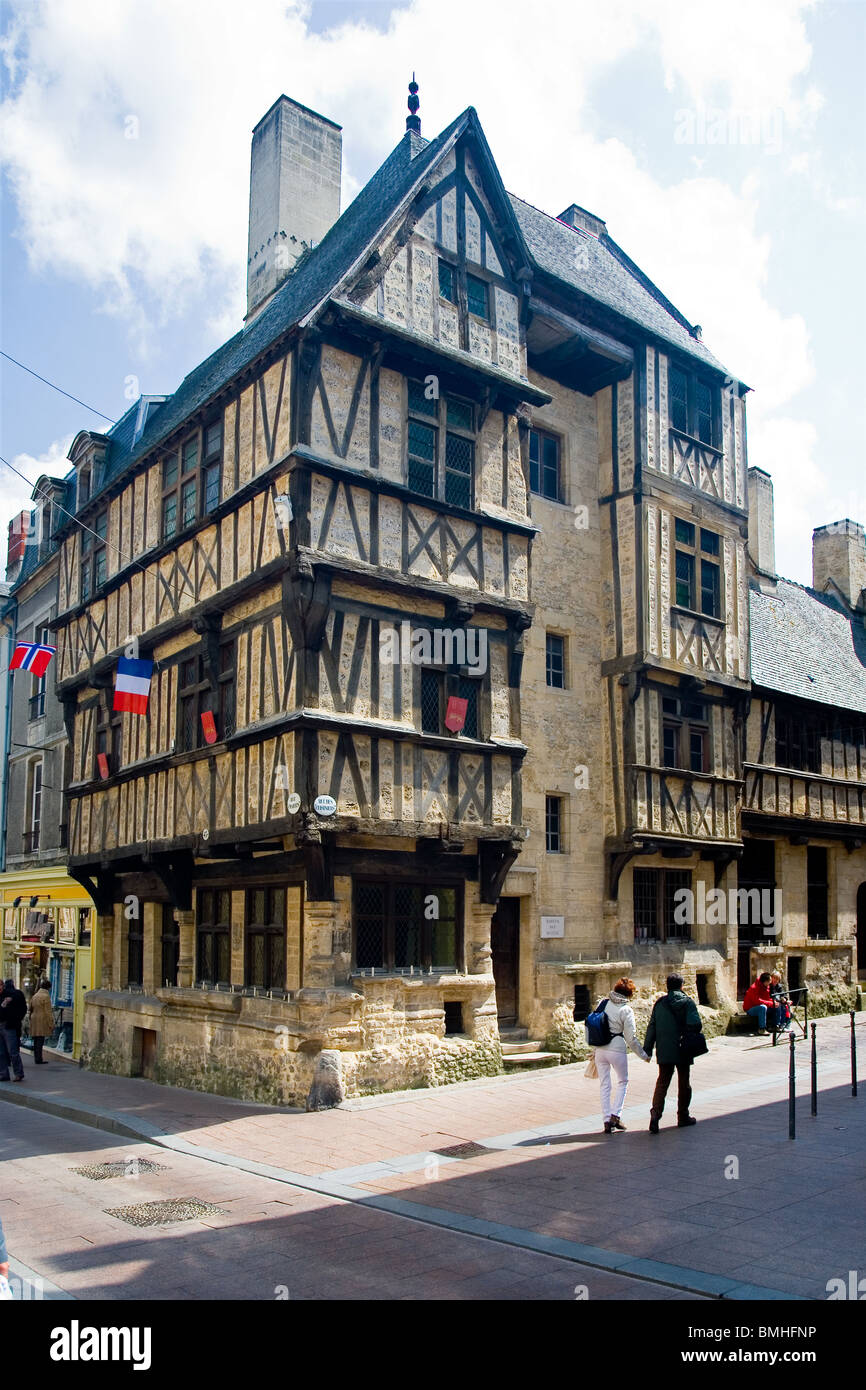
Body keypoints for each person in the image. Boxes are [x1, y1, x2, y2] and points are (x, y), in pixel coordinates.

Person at [644, 973, 703, 1132]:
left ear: (667, 986)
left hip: (664, 1049)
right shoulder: (688, 1003)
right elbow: (695, 1024)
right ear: (682, 986)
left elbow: (652, 1027)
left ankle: (655, 1115)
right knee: (684, 1082)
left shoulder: (660, 1003)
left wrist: (647, 1049)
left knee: (662, 1082)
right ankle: (683, 1115)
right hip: (683, 1047)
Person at [593, 977, 650, 1133]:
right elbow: (631, 1038)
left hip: (600, 1049)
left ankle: (606, 1120)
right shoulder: (626, 1010)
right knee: (622, 1081)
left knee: (605, 1084)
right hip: (616, 1048)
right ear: (629, 994)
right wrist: (643, 1055)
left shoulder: (603, 1003)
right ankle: (615, 1116)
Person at [28, 979, 54, 1065]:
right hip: (42, 1019)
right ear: (48, 988)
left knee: (36, 1039)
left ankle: (37, 1057)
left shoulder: (35, 995)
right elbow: (48, 1012)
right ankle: (39, 1059)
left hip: (34, 1018)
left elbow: (30, 1008)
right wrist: (51, 1024)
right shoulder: (45, 997)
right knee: (40, 1040)